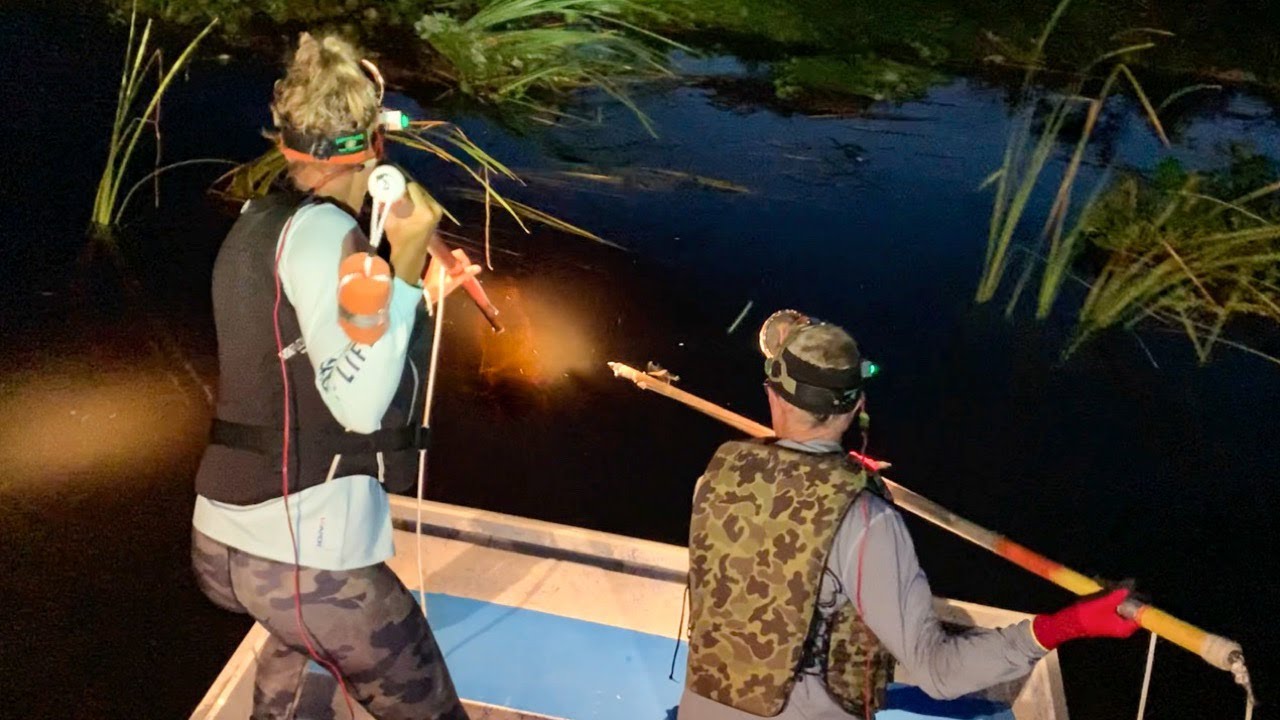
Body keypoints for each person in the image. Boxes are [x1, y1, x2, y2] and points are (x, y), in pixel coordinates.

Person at [190, 32, 478, 720]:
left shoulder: (265, 223)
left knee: (297, 677)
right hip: (305, 558)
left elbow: (318, 343)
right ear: (373, 143)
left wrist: (413, 291)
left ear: (286, 142)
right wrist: (406, 258)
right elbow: (359, 399)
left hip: (231, 539)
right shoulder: (327, 237)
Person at [679, 310, 1140, 720]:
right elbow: (938, 673)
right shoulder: (864, 521)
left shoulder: (714, 477)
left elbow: (783, 510)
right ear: (858, 406)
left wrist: (832, 470)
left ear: (772, 396)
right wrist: (1069, 625)